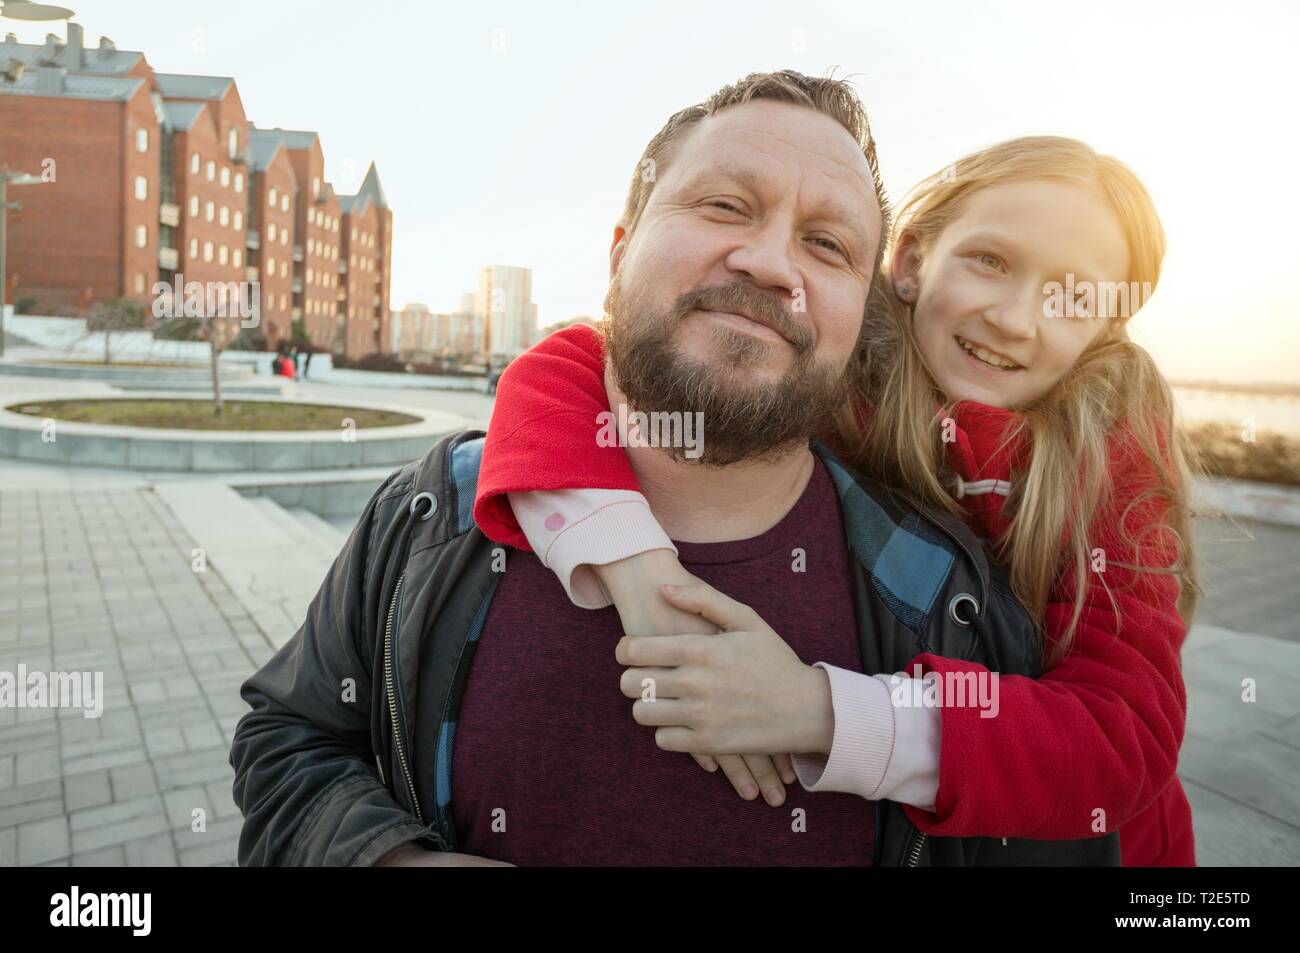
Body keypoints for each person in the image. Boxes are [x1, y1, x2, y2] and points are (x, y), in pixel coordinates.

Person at [231, 70, 1115, 867]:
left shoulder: (948, 601)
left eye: (829, 245)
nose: (771, 264)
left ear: (863, 323)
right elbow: (290, 738)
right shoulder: (436, 515)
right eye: (727, 206)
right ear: (619, 254)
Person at [472, 137, 1198, 865]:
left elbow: (1127, 733)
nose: (1013, 318)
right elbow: (565, 372)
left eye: (1068, 296)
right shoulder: (840, 365)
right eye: (991, 262)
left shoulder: (1112, 457)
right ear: (911, 262)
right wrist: (639, 576)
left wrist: (820, 712)